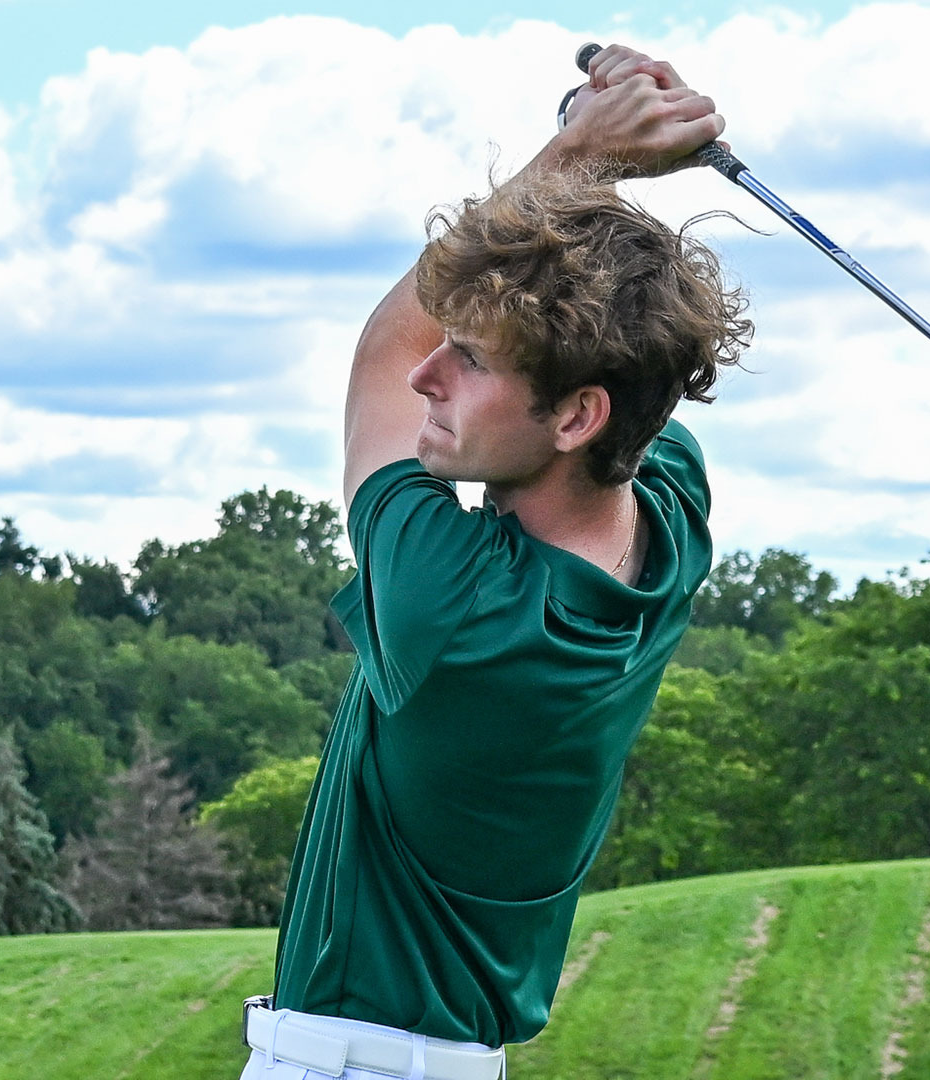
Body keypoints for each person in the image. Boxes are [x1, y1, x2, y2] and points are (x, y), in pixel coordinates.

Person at [238, 43, 750, 1080]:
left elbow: (384, 349)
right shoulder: (670, 521)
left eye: (469, 361)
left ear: (577, 414)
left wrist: (588, 148)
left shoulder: (455, 608)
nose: (431, 370)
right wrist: (602, 182)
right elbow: (627, 340)